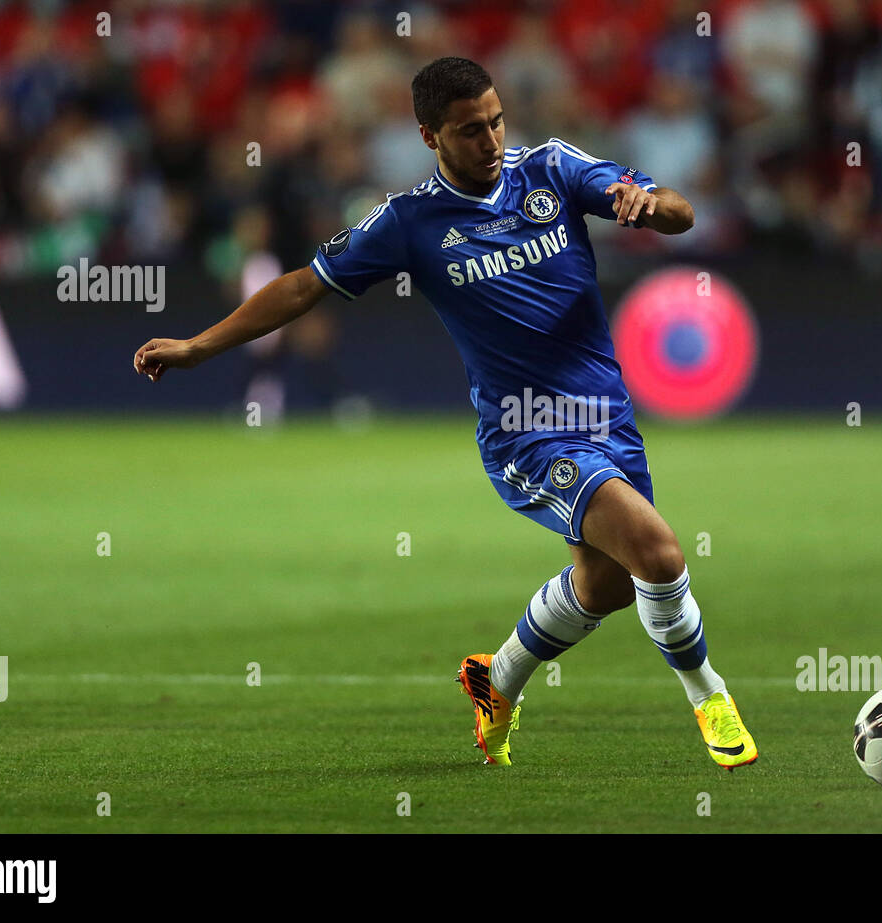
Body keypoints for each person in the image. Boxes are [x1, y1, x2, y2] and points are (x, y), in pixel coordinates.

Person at [132, 57, 757, 770]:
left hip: (607, 418)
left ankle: (498, 679)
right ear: (430, 137)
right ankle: (710, 697)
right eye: (469, 131)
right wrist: (198, 346)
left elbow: (679, 210)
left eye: (495, 122)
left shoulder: (551, 168)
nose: (490, 141)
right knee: (660, 552)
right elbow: (305, 286)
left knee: (609, 582)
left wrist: (650, 206)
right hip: (526, 432)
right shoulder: (409, 221)